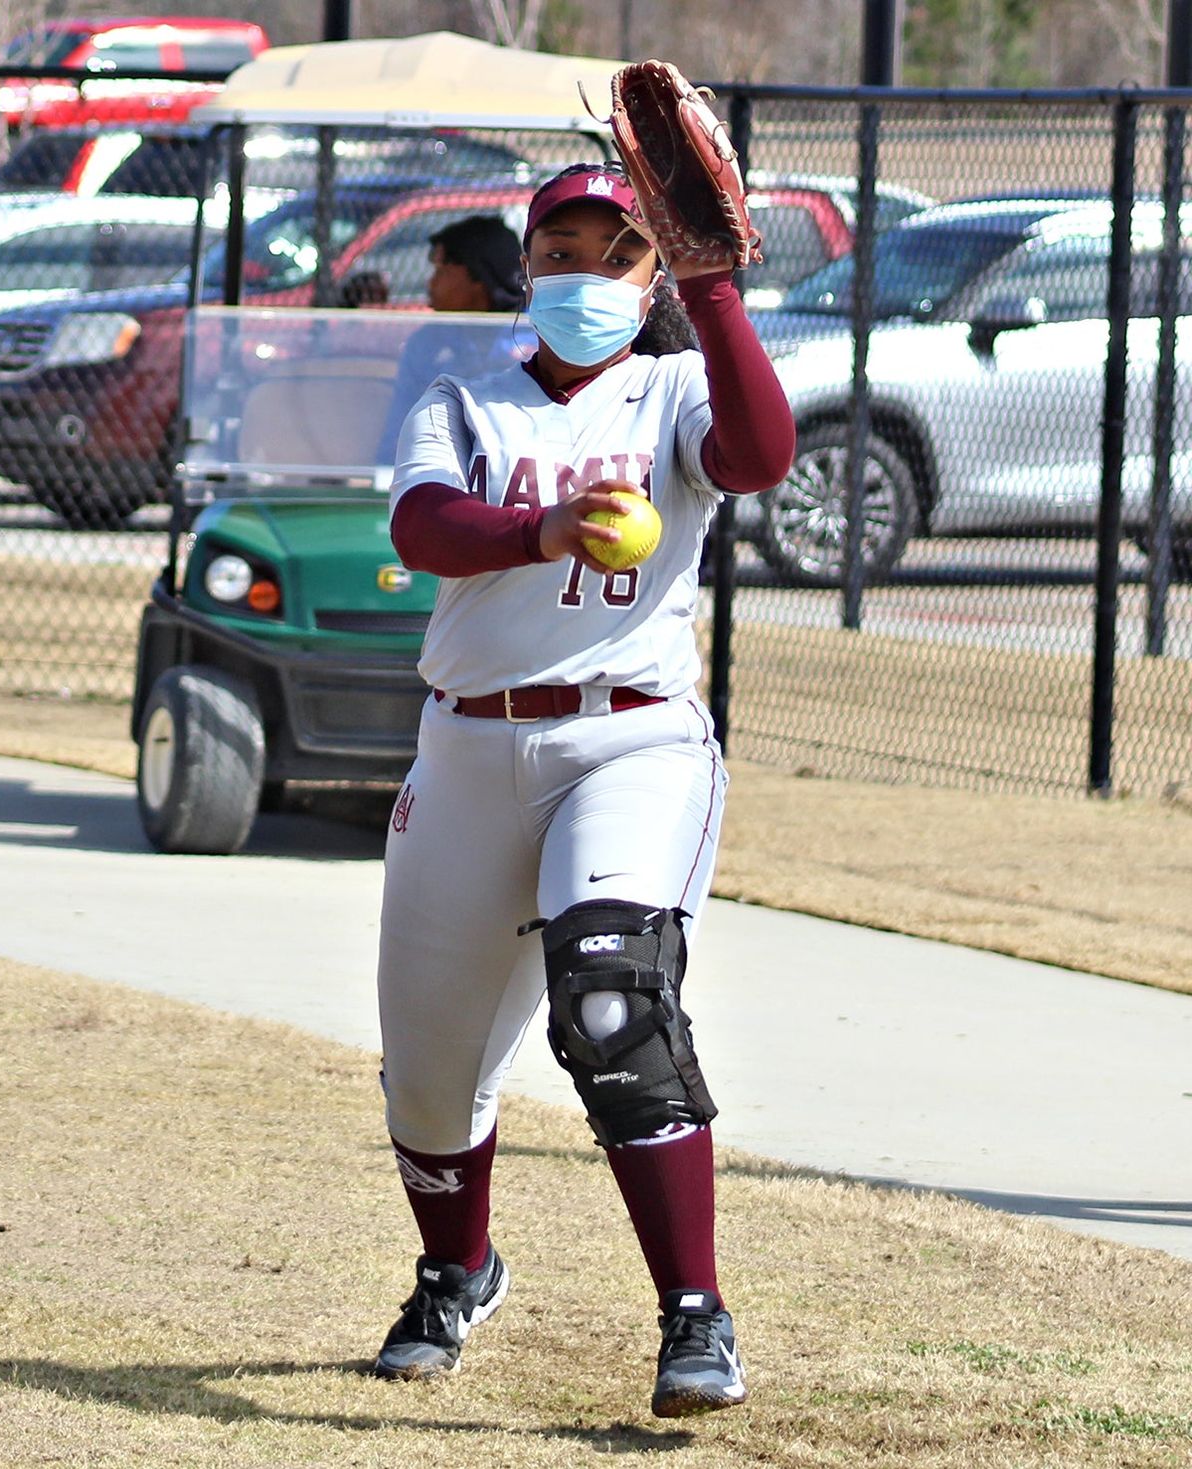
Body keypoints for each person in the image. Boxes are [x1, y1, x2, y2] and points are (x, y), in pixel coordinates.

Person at [372, 160, 795, 1417]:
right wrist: (539, 533)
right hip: (465, 747)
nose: (588, 270)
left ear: (652, 271)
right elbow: (425, 529)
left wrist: (716, 293)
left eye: (621, 252)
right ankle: (457, 1270)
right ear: (527, 261)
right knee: (430, 1077)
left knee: (612, 996)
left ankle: (695, 1316)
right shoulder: (461, 391)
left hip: (632, 743)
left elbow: (760, 454)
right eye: (564, 244)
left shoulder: (670, 385)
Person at [374, 213, 527, 468]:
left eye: (442, 270)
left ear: (480, 278)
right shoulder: (426, 344)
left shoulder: (537, 336)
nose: (431, 283)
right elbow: (400, 436)